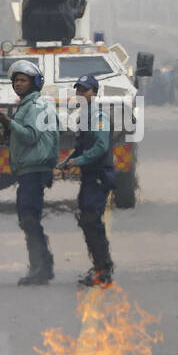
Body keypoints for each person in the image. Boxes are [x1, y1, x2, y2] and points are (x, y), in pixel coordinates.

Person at [0, 59, 58, 285]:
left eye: (23, 80)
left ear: (34, 82)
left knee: (29, 218)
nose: (18, 84)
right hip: (28, 169)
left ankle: (40, 267)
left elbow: (31, 135)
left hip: (34, 170)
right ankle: (43, 265)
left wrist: (9, 122)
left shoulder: (37, 106)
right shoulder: (28, 105)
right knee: (28, 218)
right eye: (16, 81)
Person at [59, 74, 115, 287]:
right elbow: (82, 146)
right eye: (79, 90)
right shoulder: (84, 117)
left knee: (92, 220)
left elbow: (100, 148)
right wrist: (67, 161)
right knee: (87, 220)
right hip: (90, 176)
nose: (81, 94)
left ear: (94, 93)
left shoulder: (99, 117)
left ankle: (104, 268)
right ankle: (99, 265)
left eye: (85, 90)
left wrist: (78, 160)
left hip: (99, 175)